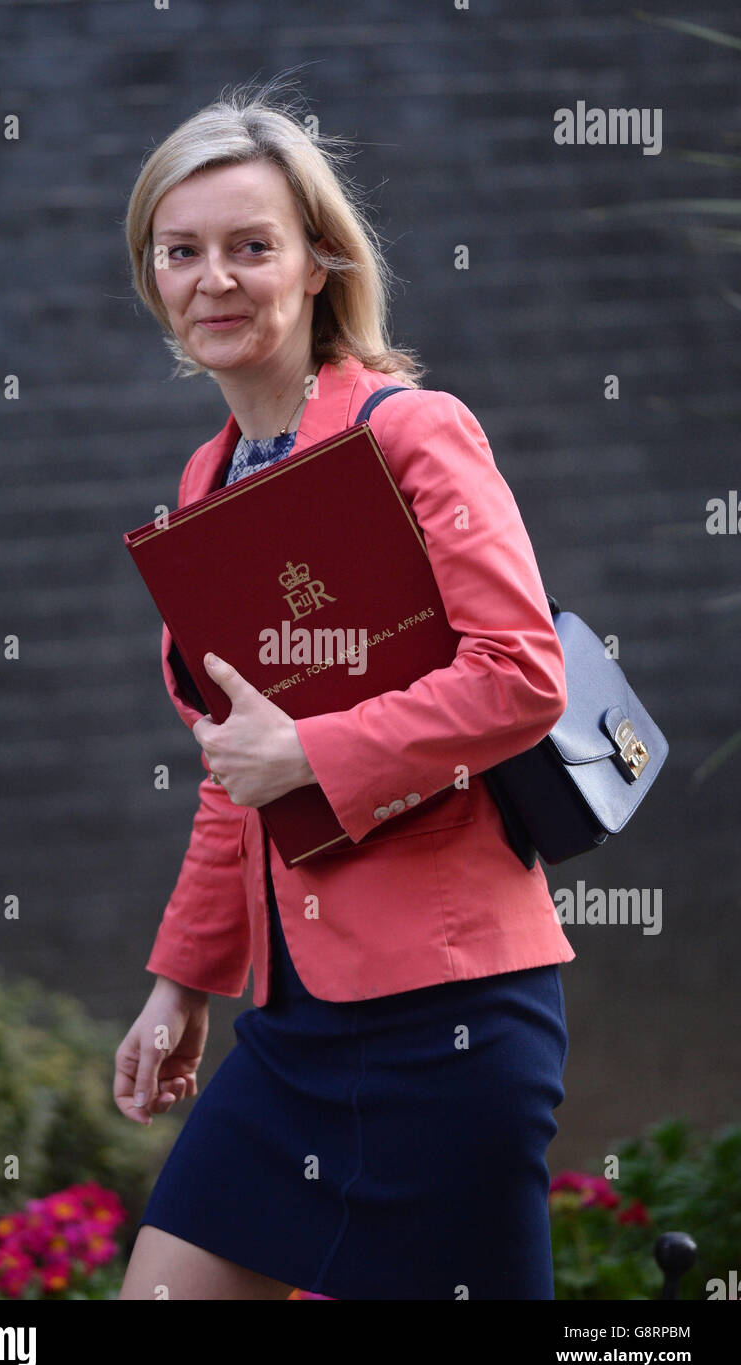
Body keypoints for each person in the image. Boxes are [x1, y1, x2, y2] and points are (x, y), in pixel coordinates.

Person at [114, 79, 575, 1301]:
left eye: (250, 246)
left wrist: (313, 755)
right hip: (295, 1025)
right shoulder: (202, 485)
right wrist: (180, 987)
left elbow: (523, 675)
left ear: (316, 262)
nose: (215, 278)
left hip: (453, 1014)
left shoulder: (416, 431)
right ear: (154, 276)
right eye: (183, 251)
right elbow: (235, 771)